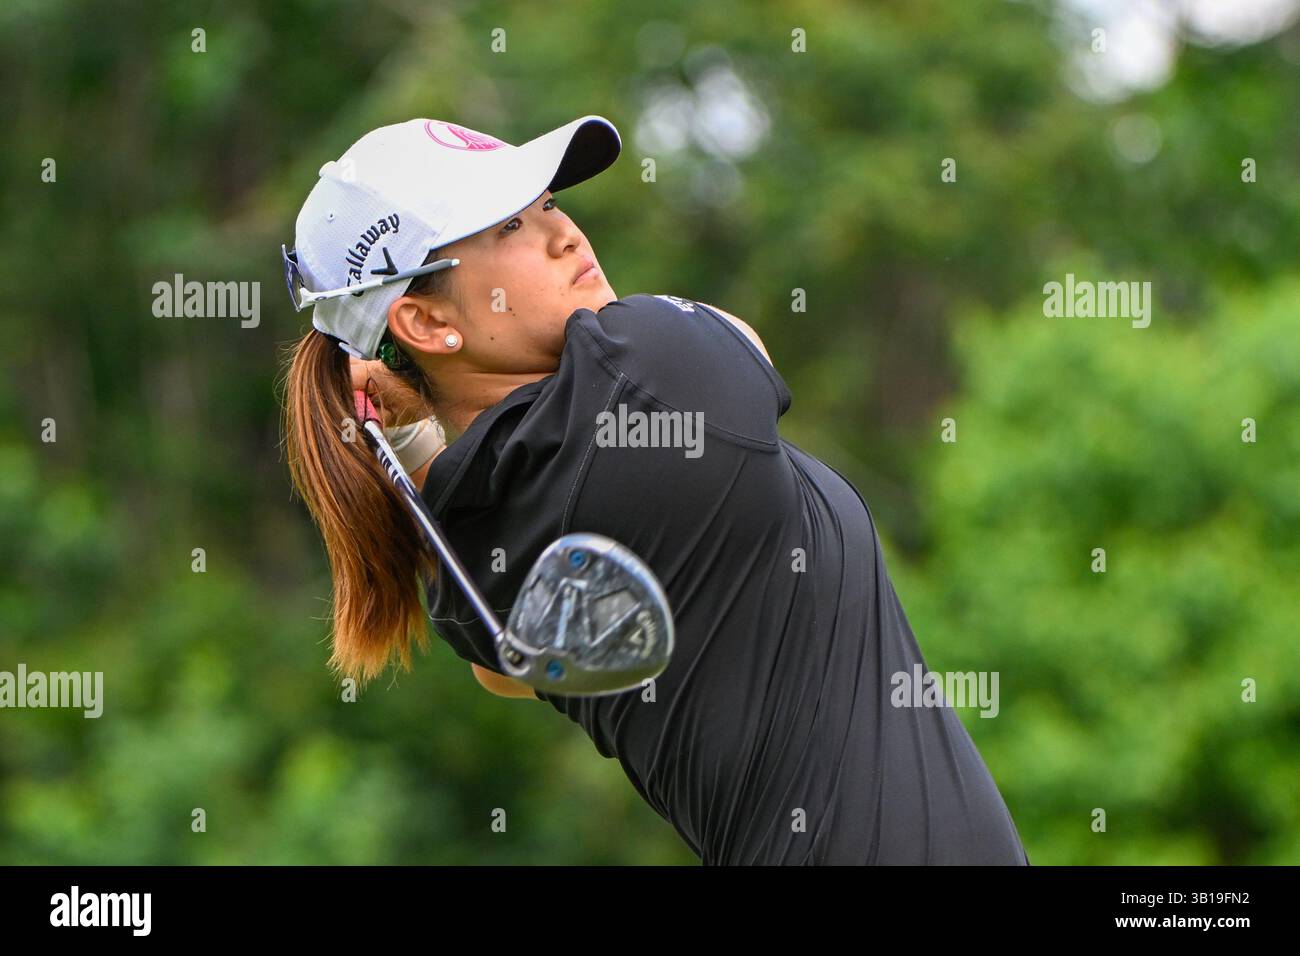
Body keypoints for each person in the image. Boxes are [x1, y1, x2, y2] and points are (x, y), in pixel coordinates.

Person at [280, 114, 1030, 865]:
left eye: (546, 203)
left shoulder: (460, 559)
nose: (565, 233)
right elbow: (743, 344)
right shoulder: (651, 374)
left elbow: (497, 672)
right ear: (425, 318)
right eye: (508, 225)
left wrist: (406, 423)